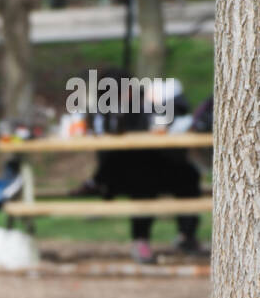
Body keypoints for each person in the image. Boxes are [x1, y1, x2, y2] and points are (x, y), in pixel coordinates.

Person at [77, 74, 203, 263]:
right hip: (119, 174)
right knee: (143, 180)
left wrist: (158, 105)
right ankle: (140, 240)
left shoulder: (146, 104)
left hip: (154, 165)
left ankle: (187, 236)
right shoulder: (106, 112)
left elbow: (179, 114)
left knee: (188, 174)